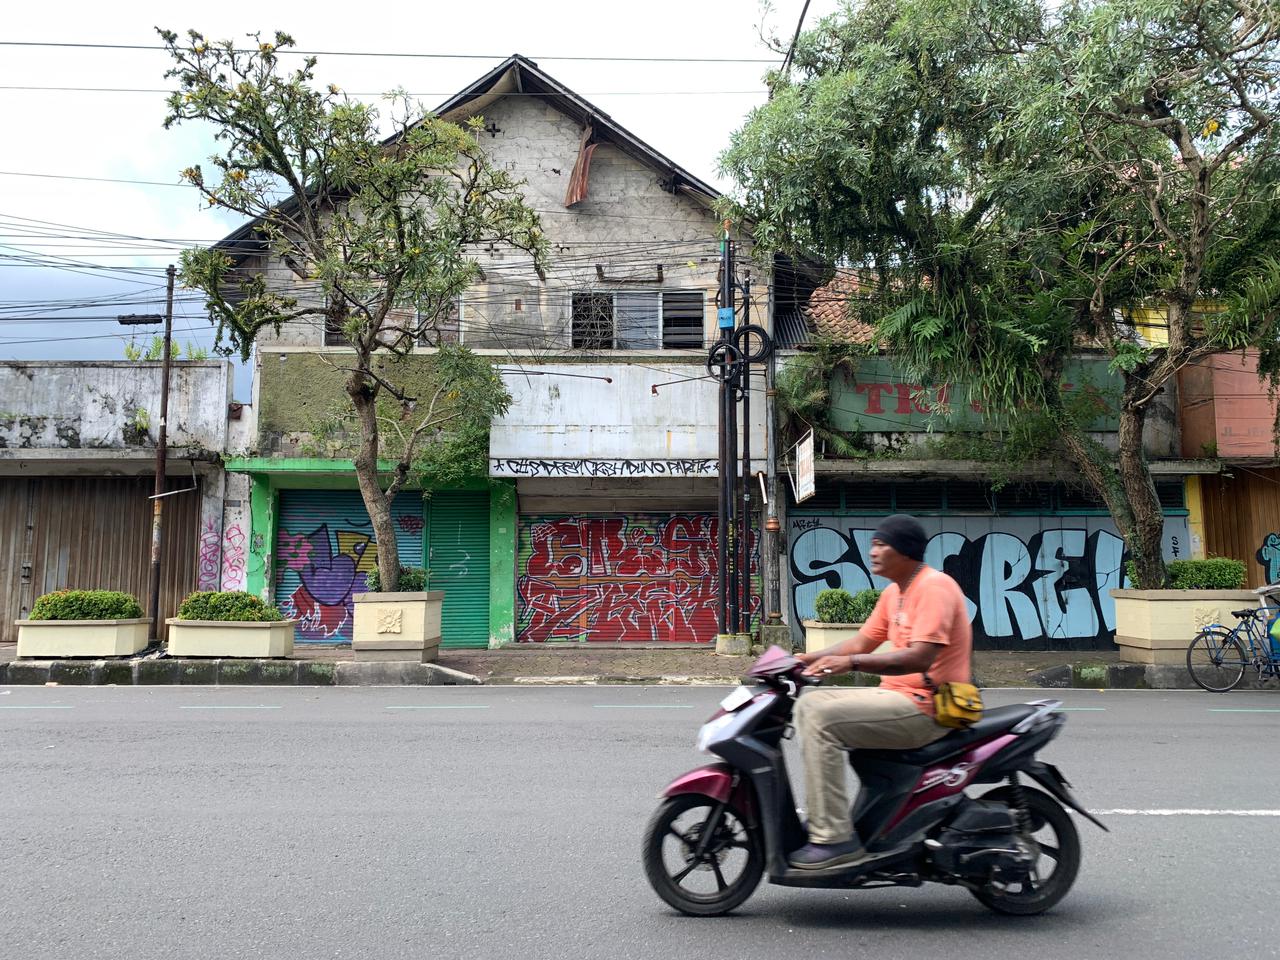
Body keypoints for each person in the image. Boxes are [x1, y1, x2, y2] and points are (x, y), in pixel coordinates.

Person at [789, 514, 974, 871]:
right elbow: (862, 641)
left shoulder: (934, 587)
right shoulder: (894, 592)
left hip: (927, 707)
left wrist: (852, 664)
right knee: (808, 703)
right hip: (898, 698)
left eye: (880, 544)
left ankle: (833, 839)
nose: (872, 551)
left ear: (904, 550)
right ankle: (831, 820)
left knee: (818, 717)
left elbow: (920, 658)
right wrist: (803, 659)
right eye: (873, 544)